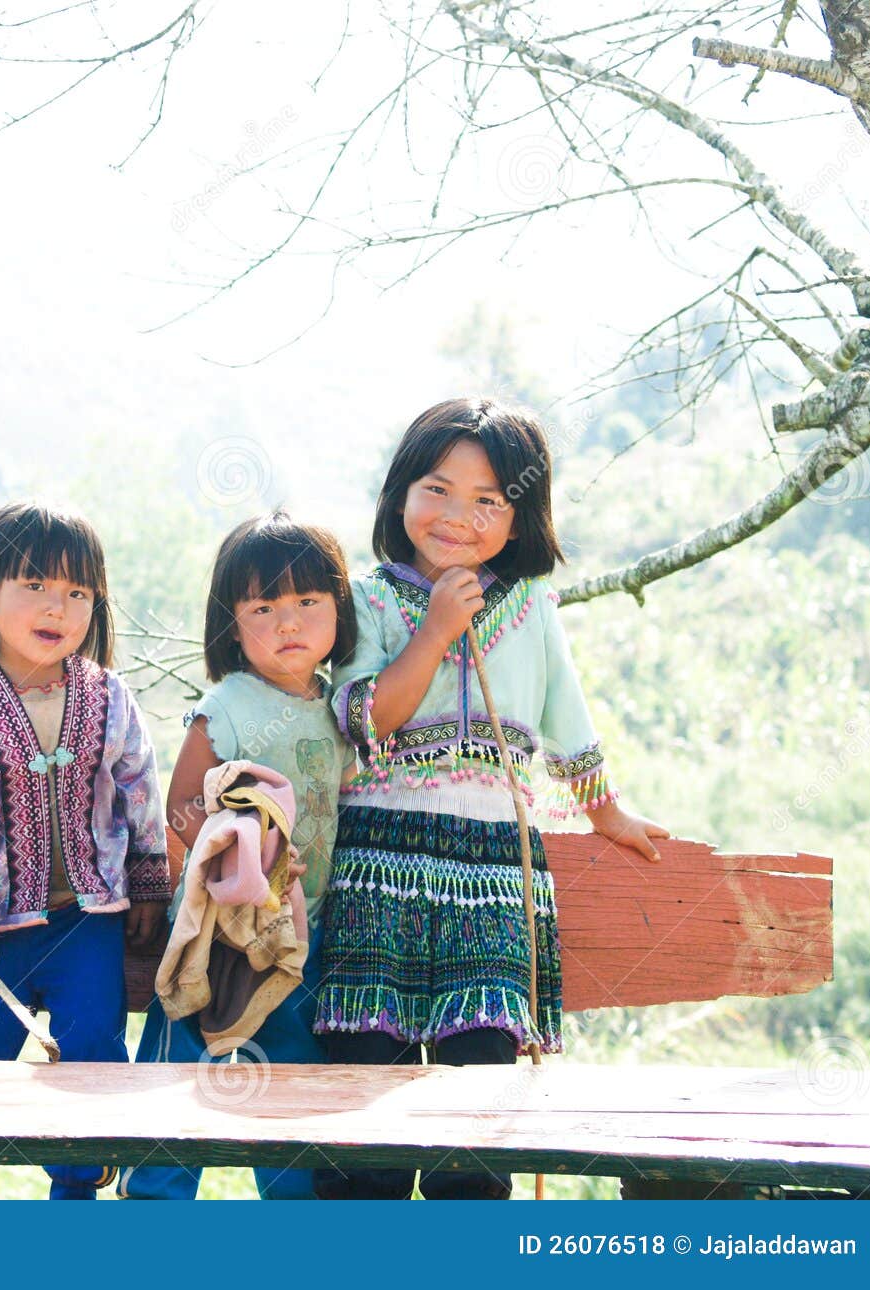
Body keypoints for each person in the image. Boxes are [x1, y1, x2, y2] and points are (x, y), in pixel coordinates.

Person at [314, 397, 670, 1200]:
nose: (457, 517)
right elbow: (366, 717)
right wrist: (435, 631)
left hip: (493, 879)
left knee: (476, 1113)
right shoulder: (367, 602)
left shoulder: (534, 609)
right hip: (379, 873)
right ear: (400, 494)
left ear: (521, 519)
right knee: (368, 1105)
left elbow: (566, 718)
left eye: (488, 501)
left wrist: (605, 813)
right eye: (437, 489)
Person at [0, 502, 171, 1200]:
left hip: (88, 920)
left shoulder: (110, 699)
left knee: (94, 1049)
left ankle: (77, 1196)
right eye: (35, 585)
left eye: (78, 592)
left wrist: (148, 881)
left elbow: (139, 786)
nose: (59, 607)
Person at [119, 511, 358, 1201]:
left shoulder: (340, 709)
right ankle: (152, 1212)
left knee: (292, 1091)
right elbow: (181, 810)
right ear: (231, 624)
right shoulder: (227, 705)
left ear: (338, 611)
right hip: (217, 935)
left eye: (308, 603)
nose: (289, 624)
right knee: (178, 1084)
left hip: (298, 937)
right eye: (264, 607)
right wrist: (243, 842)